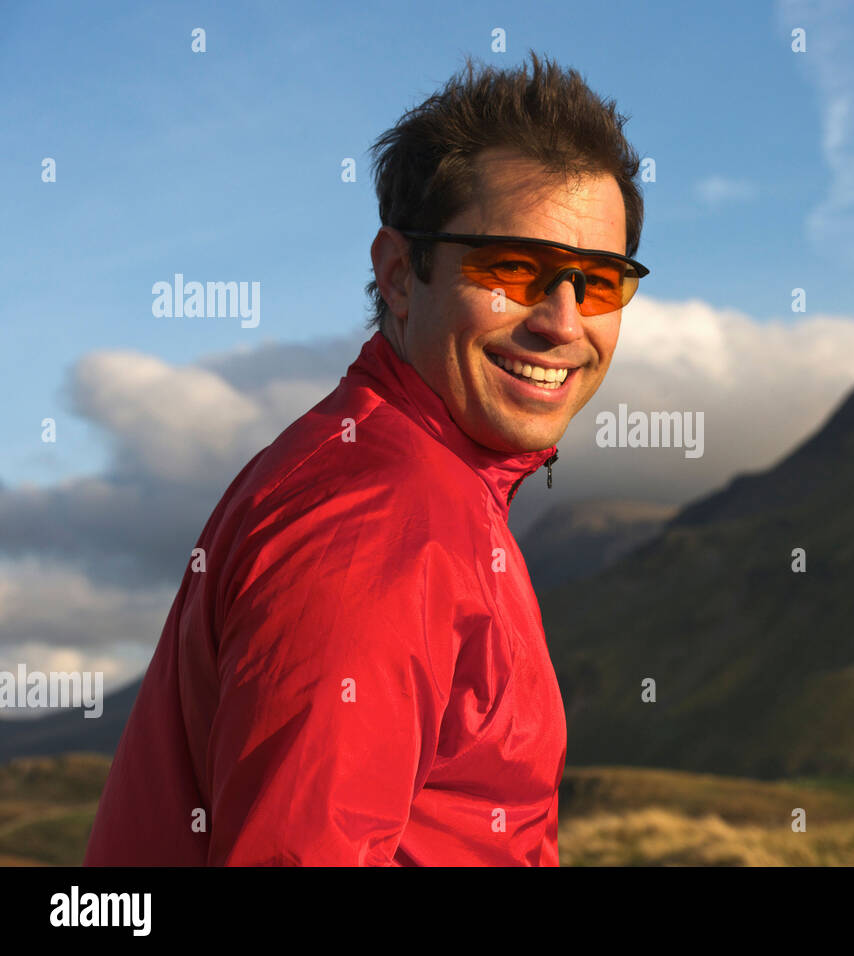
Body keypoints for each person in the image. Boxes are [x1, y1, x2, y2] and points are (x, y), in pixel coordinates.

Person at [82, 50, 648, 866]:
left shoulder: (418, 482)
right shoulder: (380, 522)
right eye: (513, 268)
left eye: (598, 282)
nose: (563, 322)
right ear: (398, 272)